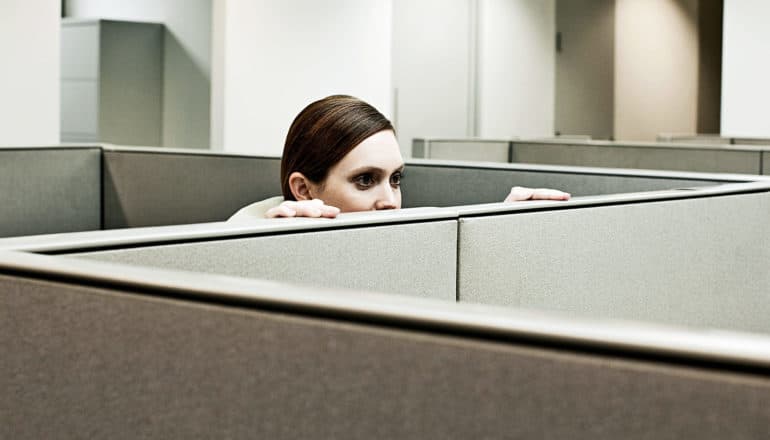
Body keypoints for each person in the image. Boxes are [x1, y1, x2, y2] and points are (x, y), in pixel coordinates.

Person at [229, 95, 569, 221]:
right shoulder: (253, 233)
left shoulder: (402, 248)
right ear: (303, 190)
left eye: (396, 179)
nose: (390, 201)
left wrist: (498, 226)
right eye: (365, 180)